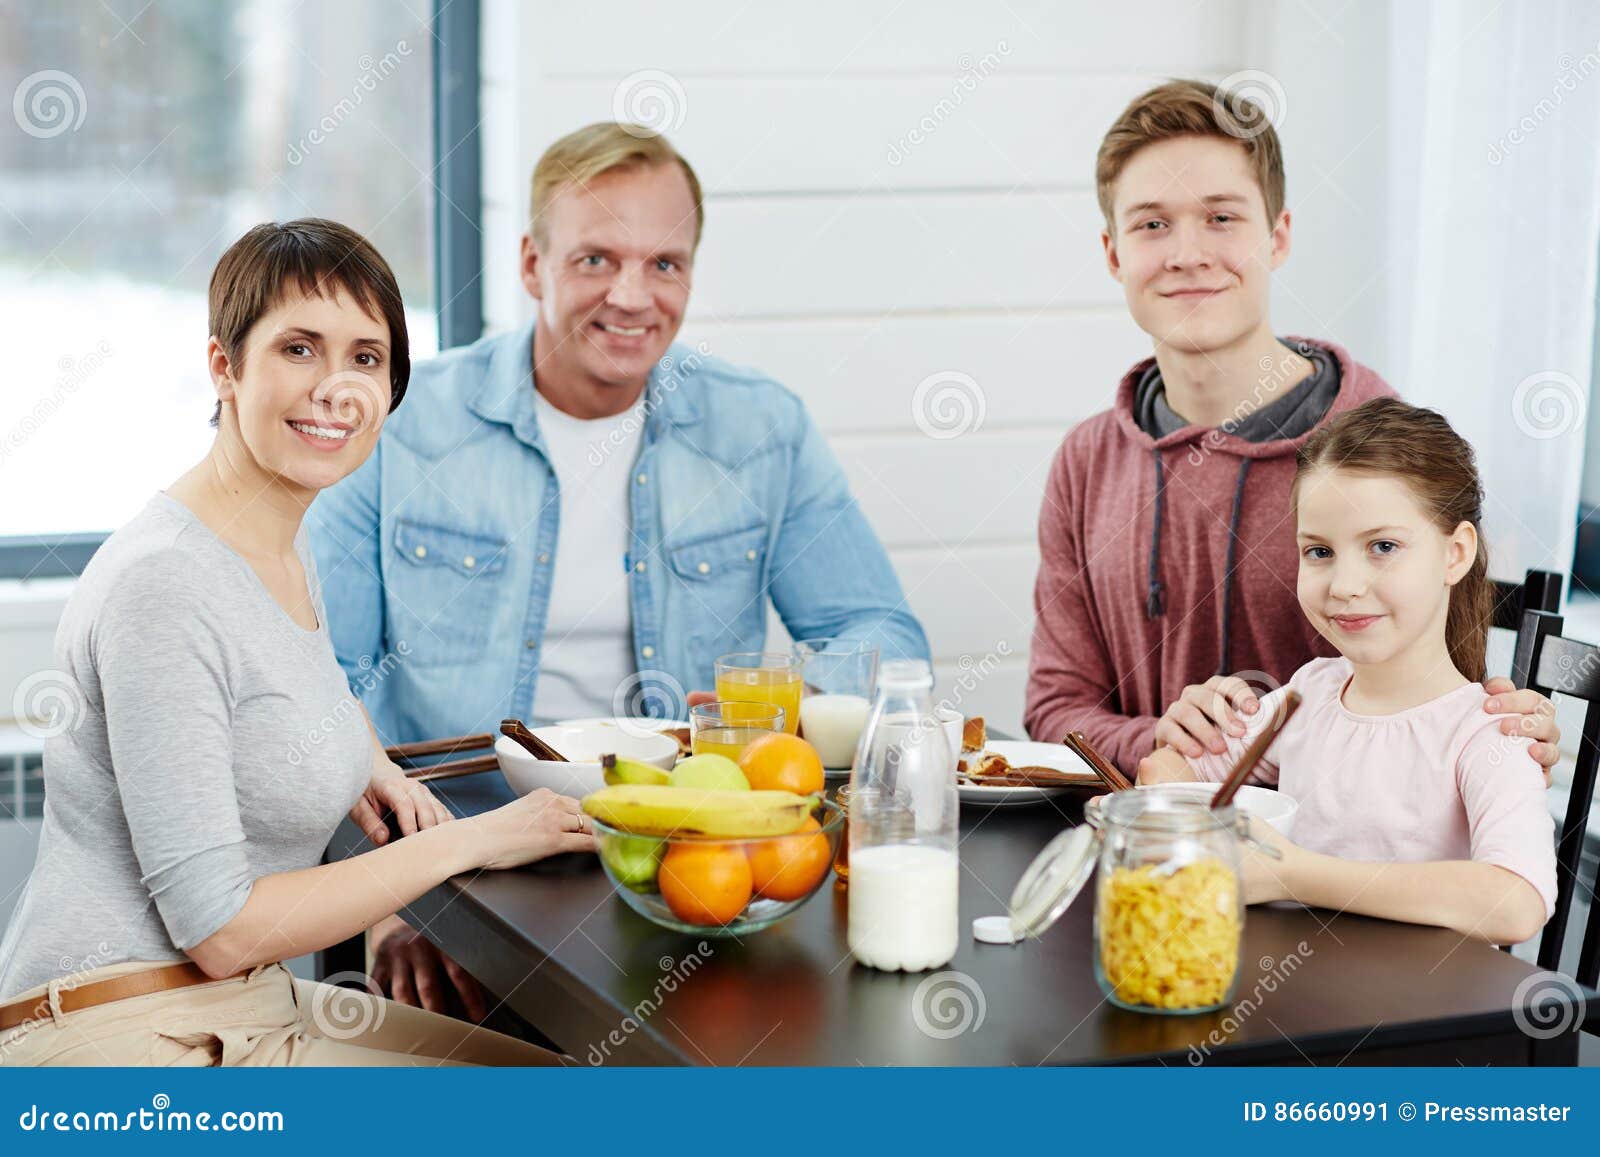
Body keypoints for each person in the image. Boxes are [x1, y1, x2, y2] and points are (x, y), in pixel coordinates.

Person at [307, 122, 927, 1015]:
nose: (632, 297)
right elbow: (325, 687)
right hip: (463, 859)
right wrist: (393, 894)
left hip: (692, 857)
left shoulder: (760, 429)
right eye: (596, 259)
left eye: (664, 265)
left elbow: (880, 634)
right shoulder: (404, 426)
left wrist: (795, 704)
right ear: (531, 263)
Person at [0, 220, 594, 1066]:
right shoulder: (164, 583)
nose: (334, 387)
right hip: (122, 1036)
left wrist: (365, 755)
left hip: (235, 1003)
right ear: (225, 367)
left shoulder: (275, 535)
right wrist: (477, 836)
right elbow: (218, 926)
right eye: (299, 348)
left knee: (564, 1079)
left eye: (364, 358)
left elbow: (273, 681)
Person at [1022, 79, 1561, 779]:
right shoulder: (1085, 461)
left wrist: (1507, 726)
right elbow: (1056, 704)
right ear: (1114, 253)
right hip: (1148, 853)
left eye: (1221, 218)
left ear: (1277, 237)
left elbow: (1436, 713)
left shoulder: (1380, 445)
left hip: (1343, 863)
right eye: (1152, 224)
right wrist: (1163, 739)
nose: (1186, 252)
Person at [1139, 399, 1556, 944]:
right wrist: (1178, 793)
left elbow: (1517, 903)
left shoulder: (1487, 732)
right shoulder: (1308, 693)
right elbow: (1166, 771)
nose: (1344, 584)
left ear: (1455, 554)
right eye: (1319, 551)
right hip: (1293, 999)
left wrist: (1286, 873)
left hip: (1416, 1020)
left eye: (1383, 546)